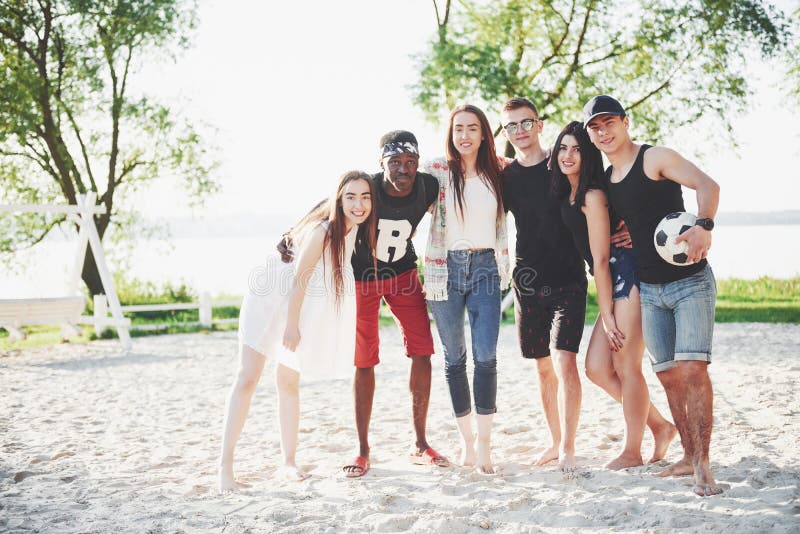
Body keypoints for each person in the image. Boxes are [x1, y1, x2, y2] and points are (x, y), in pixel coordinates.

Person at [279, 131, 449, 478]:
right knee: (364, 359)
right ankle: (362, 449)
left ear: (418, 163)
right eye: (395, 162)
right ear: (381, 163)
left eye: (410, 162)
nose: (403, 169)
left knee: (422, 351)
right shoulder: (368, 188)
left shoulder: (427, 186)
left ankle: (420, 443)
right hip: (362, 279)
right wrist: (291, 232)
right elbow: (327, 204)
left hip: (404, 275)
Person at [583, 95, 721, 496]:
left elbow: (708, 185)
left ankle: (703, 464)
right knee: (667, 375)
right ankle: (688, 454)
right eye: (595, 127)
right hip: (650, 289)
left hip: (690, 281)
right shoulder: (607, 182)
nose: (603, 132)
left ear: (625, 122)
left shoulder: (655, 158)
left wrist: (704, 225)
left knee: (693, 369)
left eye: (609, 123)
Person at [218, 171, 376, 491]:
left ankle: (288, 462)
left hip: (297, 305)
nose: (358, 204)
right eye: (350, 197)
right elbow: (298, 281)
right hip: (271, 301)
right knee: (248, 377)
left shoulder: (357, 227)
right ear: (338, 199)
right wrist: (292, 326)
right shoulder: (323, 231)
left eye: (365, 197)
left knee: (289, 380)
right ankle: (225, 468)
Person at [550, 121, 676, 470]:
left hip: (628, 275)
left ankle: (632, 450)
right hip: (611, 279)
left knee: (625, 364)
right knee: (596, 368)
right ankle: (661, 426)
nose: (568, 155)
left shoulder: (592, 195)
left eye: (577, 149)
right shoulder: (570, 191)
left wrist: (606, 314)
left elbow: (602, 259)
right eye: (563, 148)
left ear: (588, 155)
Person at [424, 104, 510, 475]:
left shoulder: (501, 171)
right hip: (443, 269)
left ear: (484, 134)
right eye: (458, 128)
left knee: (486, 355)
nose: (464, 135)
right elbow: (396, 193)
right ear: (450, 133)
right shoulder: (436, 171)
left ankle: (485, 443)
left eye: (472, 128)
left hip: (487, 267)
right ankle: (467, 440)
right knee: (454, 358)